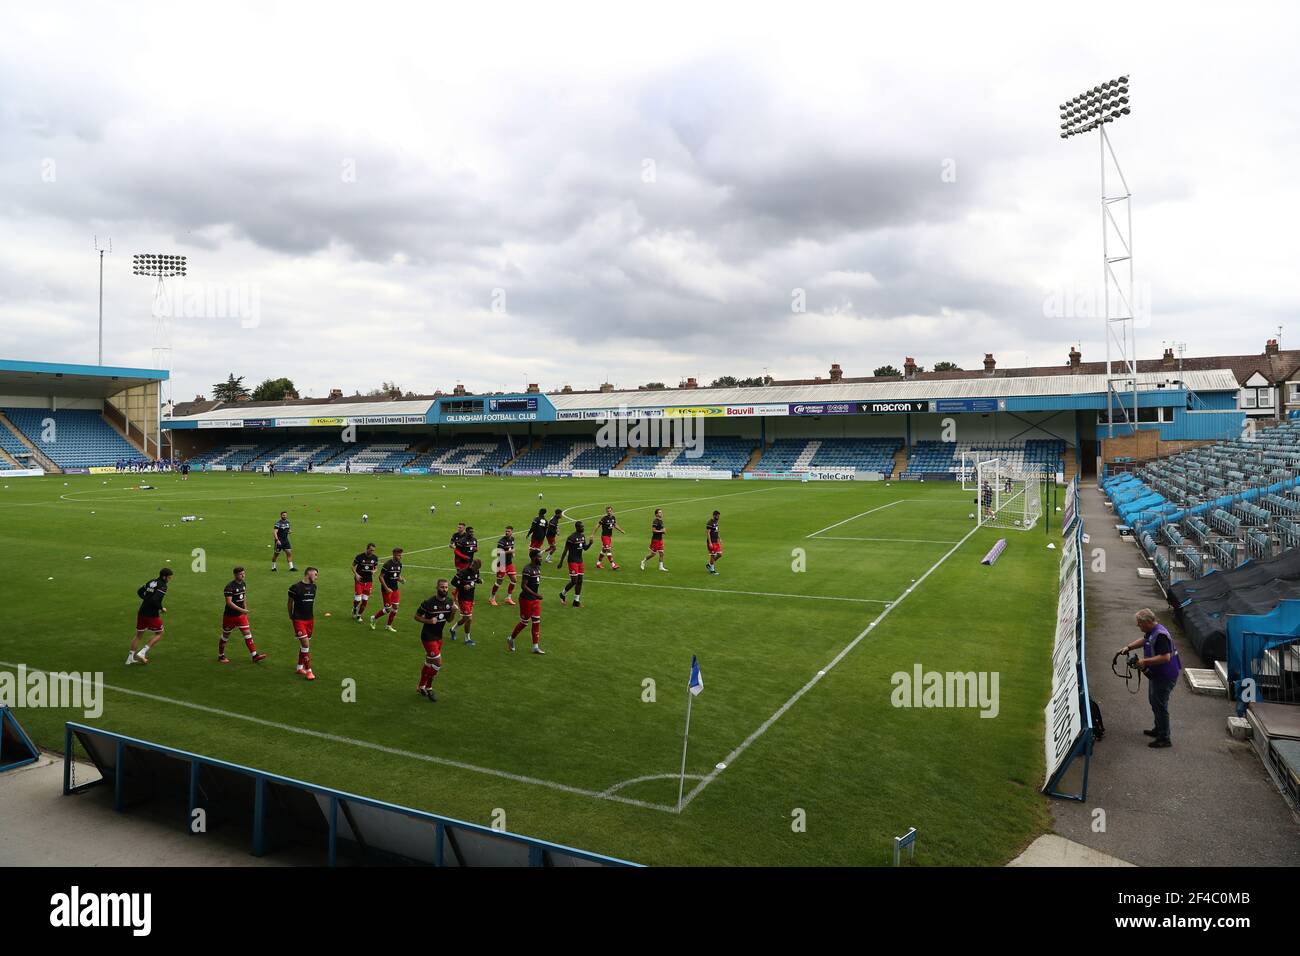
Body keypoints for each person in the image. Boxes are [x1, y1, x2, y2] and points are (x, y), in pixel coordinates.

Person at [1118, 608, 1182, 749]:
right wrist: (1128, 647)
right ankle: (1159, 729)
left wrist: (1144, 662)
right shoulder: (1153, 631)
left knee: (1160, 705)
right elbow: (1144, 640)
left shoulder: (1160, 635)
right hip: (1158, 674)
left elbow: (1166, 657)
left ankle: (1164, 738)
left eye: (1139, 623)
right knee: (1154, 702)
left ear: (1147, 622)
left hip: (1165, 676)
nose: (1138, 625)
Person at [413, 579, 456, 701]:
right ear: (437, 588)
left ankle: (421, 686)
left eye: (446, 587)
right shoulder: (428, 603)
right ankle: (429, 687)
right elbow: (416, 617)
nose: (444, 589)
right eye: (442, 587)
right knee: (438, 663)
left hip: (438, 637)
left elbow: (449, 620)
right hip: (427, 636)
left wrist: (453, 612)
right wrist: (428, 621)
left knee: (429, 662)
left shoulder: (449, 602)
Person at [220, 566, 267, 663]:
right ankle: (221, 656)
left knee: (247, 634)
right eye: (241, 574)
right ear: (235, 575)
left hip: (241, 616)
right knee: (225, 636)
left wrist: (245, 609)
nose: (243, 575)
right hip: (230, 616)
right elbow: (229, 602)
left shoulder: (243, 584)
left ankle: (254, 655)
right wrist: (242, 609)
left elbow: (244, 596)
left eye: (244, 573)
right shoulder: (229, 587)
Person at [127, 568, 173, 665]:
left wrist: (146, 599)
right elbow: (155, 600)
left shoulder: (152, 581)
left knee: (138, 635)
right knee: (160, 633)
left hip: (142, 611)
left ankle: (130, 658)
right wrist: (161, 608)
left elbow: (139, 591)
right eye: (169, 577)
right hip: (151, 614)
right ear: (164, 577)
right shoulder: (163, 586)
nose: (170, 579)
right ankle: (142, 653)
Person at [508, 550, 546, 654]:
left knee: (536, 622)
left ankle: (535, 647)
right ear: (533, 558)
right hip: (526, 599)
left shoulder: (538, 568)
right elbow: (523, 586)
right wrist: (536, 594)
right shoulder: (527, 569)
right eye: (539, 557)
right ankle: (511, 638)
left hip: (535, 600)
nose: (541, 558)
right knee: (524, 622)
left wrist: (536, 596)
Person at [287, 568, 319, 680]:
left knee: (304, 645)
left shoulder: (314, 587)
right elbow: (290, 603)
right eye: (315, 574)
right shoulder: (295, 588)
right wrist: (291, 615)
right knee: (305, 644)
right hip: (298, 619)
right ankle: (309, 671)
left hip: (310, 619)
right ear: (309, 573)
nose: (316, 576)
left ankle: (299, 667)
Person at [559, 521, 593, 607]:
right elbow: (565, 550)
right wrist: (561, 562)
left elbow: (584, 548)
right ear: (577, 527)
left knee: (580, 581)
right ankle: (562, 594)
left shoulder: (582, 536)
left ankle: (576, 601)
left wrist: (590, 543)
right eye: (582, 527)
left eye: (583, 526)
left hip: (580, 561)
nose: (583, 528)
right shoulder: (571, 538)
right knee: (574, 581)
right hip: (572, 561)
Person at [449, 558, 482, 646]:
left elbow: (475, 579)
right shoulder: (463, 572)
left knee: (465, 618)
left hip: (471, 598)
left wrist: (479, 581)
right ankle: (467, 639)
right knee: (468, 618)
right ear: (471, 564)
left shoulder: (476, 572)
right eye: (473, 566)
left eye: (476, 569)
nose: (475, 569)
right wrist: (463, 586)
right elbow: (453, 582)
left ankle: (452, 629)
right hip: (463, 598)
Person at [370, 547, 404, 632]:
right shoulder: (387, 564)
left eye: (401, 555)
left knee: (395, 607)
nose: (401, 557)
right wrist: (386, 588)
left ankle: (388, 625)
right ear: (394, 555)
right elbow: (380, 577)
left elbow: (397, 576)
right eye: (399, 555)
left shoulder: (399, 564)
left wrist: (401, 580)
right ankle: (374, 618)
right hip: (386, 590)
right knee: (388, 609)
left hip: (395, 589)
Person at [351, 543, 379, 621]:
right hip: (359, 580)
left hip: (369, 581)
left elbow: (376, 567)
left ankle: (359, 615)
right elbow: (352, 566)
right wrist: (356, 574)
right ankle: (354, 608)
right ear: (367, 549)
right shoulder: (359, 557)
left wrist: (374, 571)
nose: (372, 552)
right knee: (358, 599)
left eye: (373, 550)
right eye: (371, 550)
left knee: (365, 600)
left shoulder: (375, 558)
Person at [490, 525, 517, 605]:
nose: (507, 532)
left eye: (508, 531)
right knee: (499, 582)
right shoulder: (501, 541)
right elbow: (498, 553)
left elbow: (511, 547)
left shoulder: (512, 539)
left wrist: (513, 554)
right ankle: (492, 598)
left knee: (514, 580)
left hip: (509, 563)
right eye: (506, 531)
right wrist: (510, 552)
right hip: (501, 563)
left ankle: (508, 598)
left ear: (512, 532)